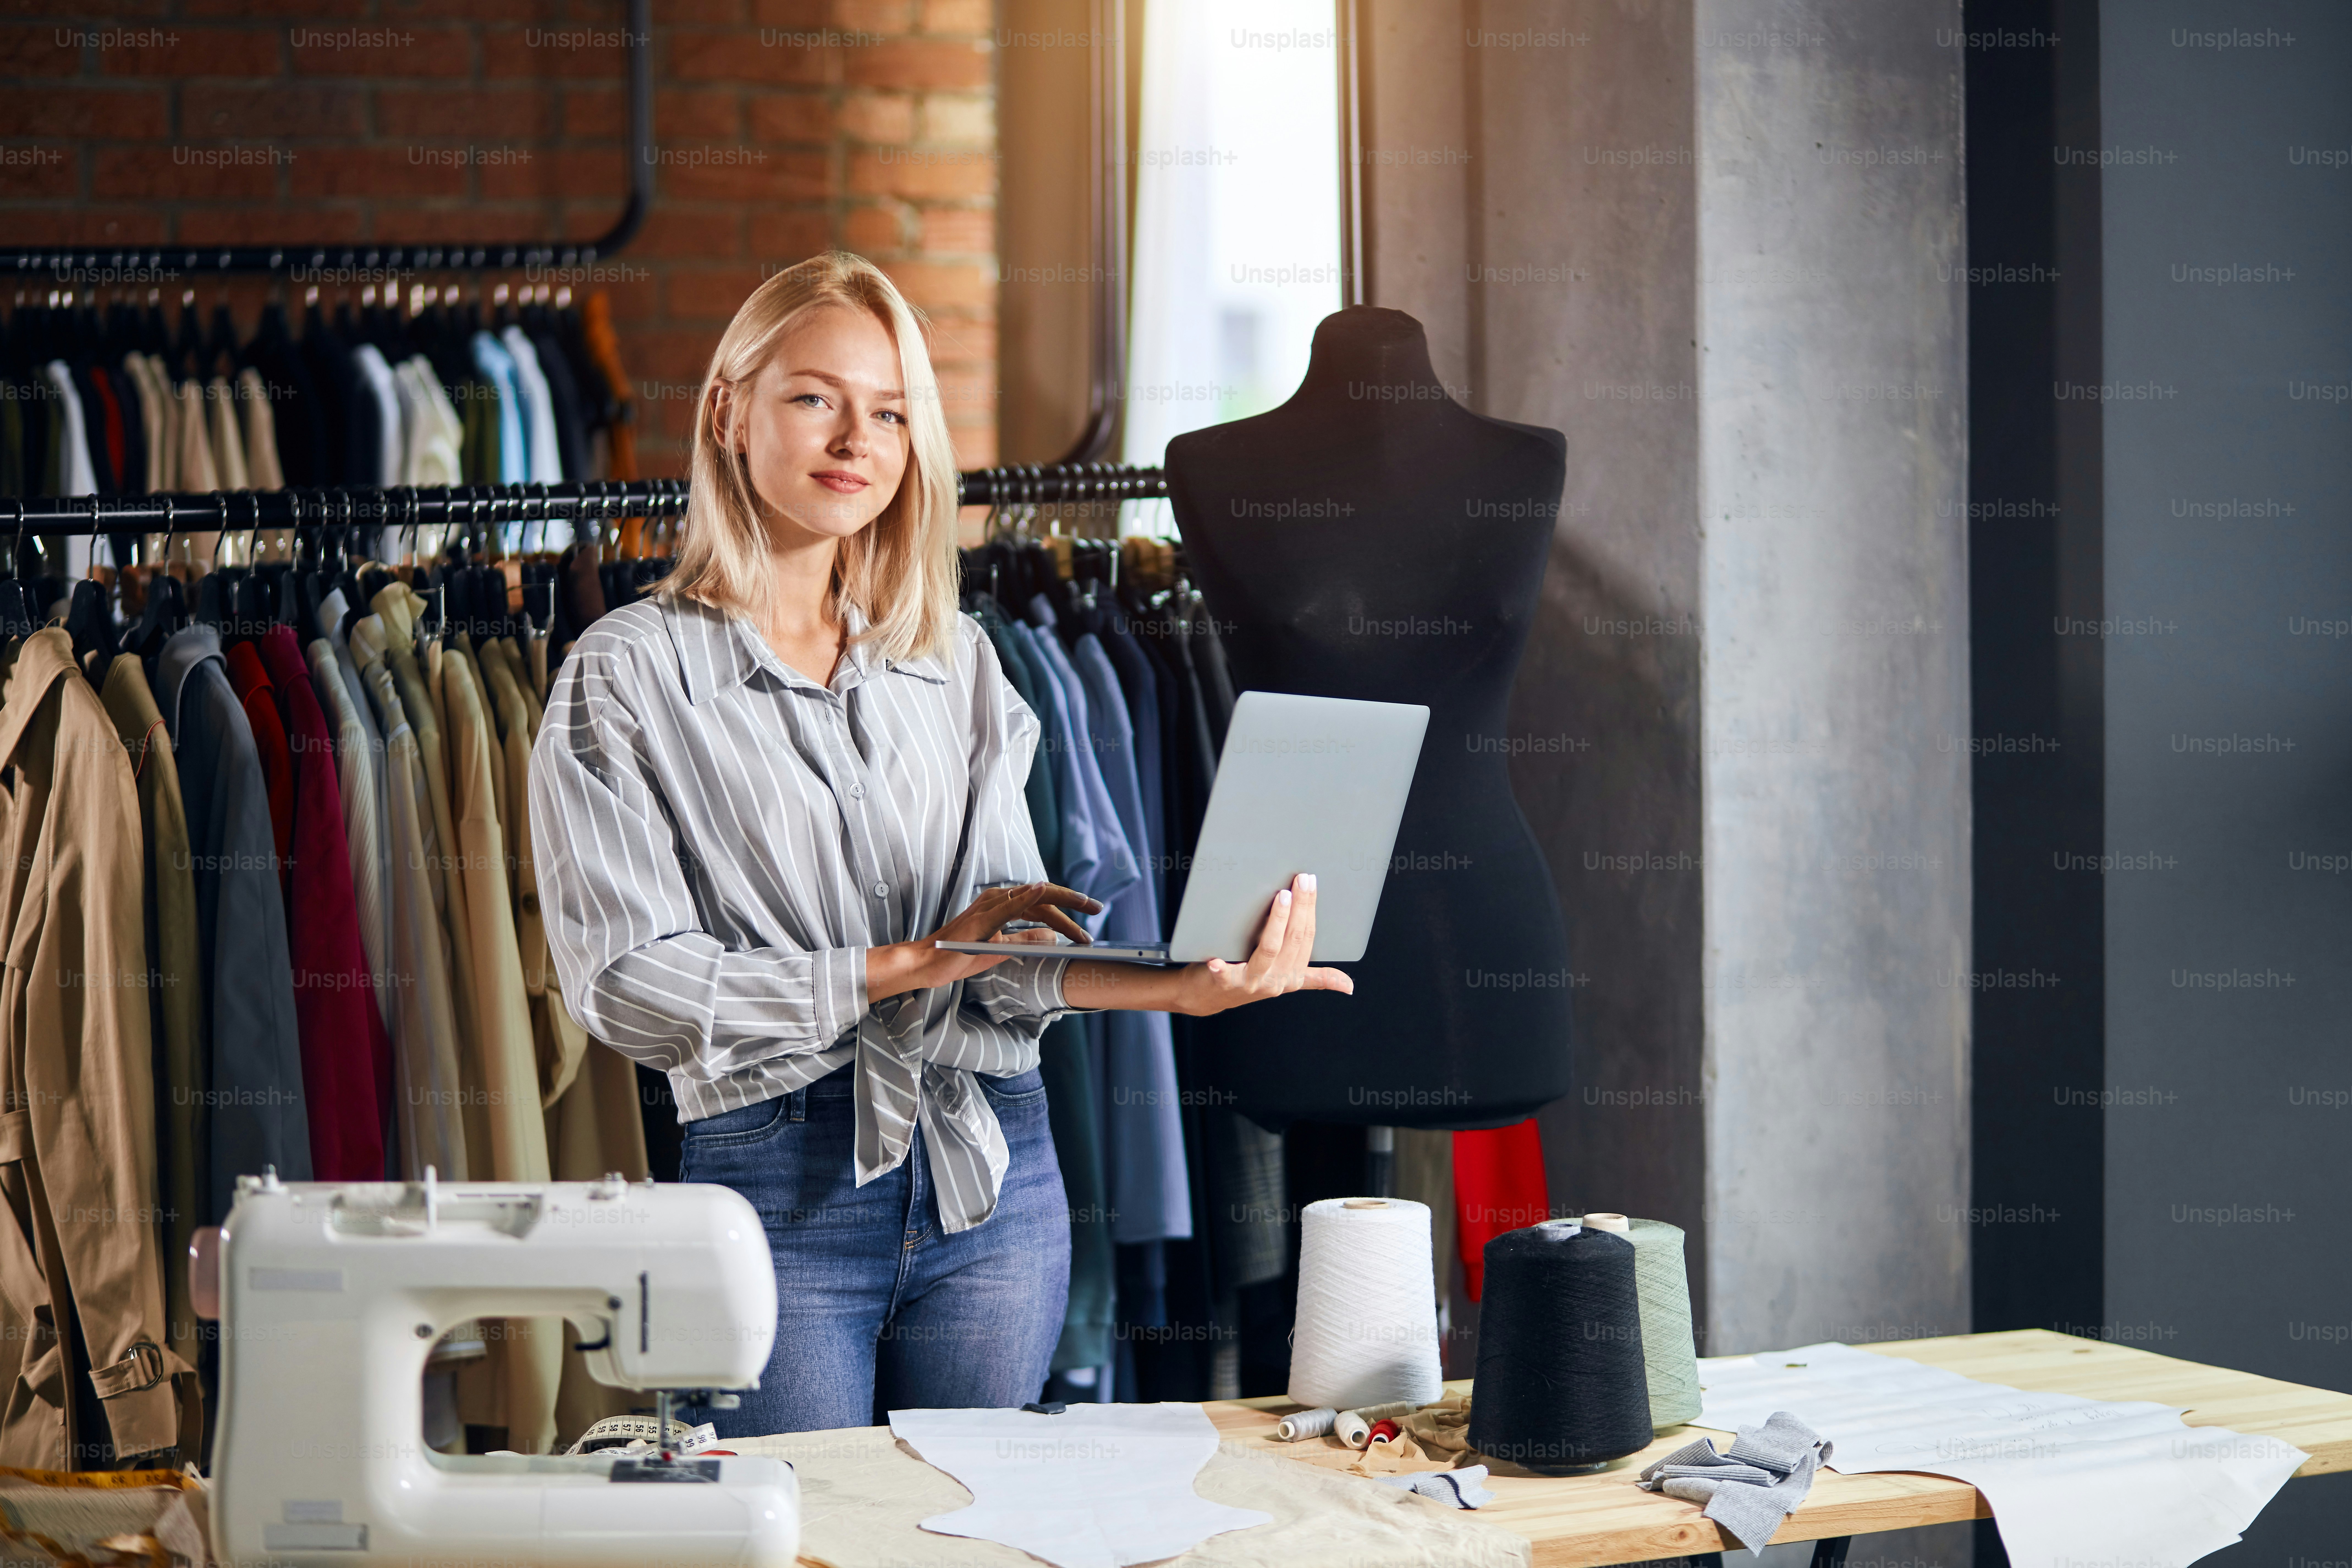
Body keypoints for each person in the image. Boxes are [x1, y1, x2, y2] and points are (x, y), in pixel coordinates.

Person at [530, 252, 1351, 1436]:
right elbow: (625, 986)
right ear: (729, 409)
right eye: (817, 397)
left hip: (997, 1165)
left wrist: (1186, 991)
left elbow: (1002, 955)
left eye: (893, 411)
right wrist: (898, 964)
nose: (856, 436)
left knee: (978, 1535)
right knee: (805, 1538)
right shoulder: (627, 672)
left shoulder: (951, 656)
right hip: (777, 1181)